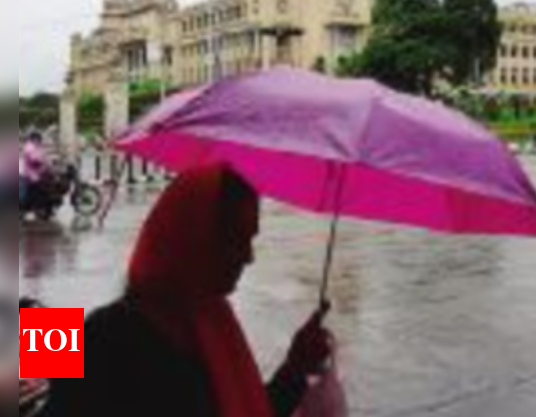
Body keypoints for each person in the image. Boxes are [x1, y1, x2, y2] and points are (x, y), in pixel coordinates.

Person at [42, 164, 332, 417]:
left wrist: (295, 367)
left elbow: (248, 407)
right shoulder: (100, 337)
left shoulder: (213, 326)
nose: (248, 256)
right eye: (235, 239)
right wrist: (43, 340)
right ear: (192, 238)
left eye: (250, 238)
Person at [18, 133, 47, 208]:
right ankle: (27, 210)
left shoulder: (35, 147)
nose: (39, 142)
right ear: (34, 139)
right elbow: (34, 160)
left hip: (32, 175)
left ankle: (29, 209)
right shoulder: (29, 147)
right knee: (27, 194)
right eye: (38, 140)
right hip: (30, 175)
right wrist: (42, 161)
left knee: (31, 193)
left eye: (40, 140)